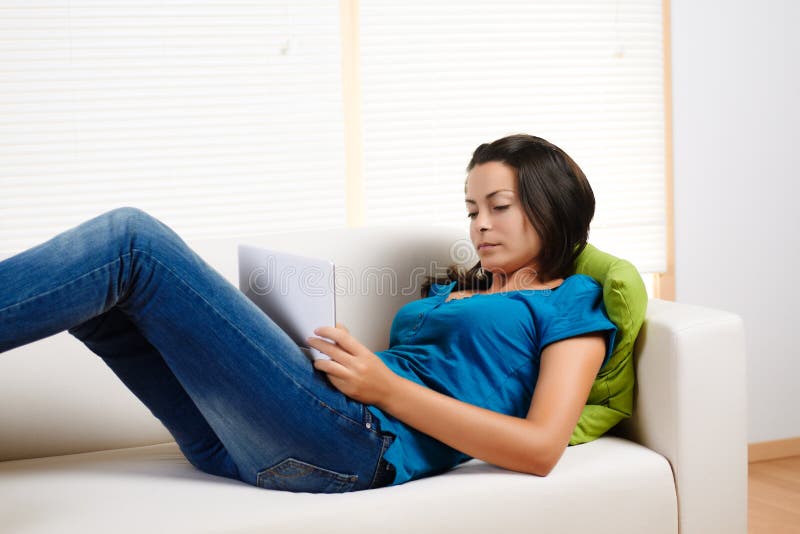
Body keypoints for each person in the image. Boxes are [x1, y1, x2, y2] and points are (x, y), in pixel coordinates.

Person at [0, 133, 616, 493]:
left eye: (499, 206)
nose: (480, 224)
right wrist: (342, 357)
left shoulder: (571, 302)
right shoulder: (456, 290)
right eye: (471, 209)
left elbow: (541, 449)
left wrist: (386, 390)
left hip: (356, 445)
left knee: (131, 243)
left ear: (550, 206)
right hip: (246, 442)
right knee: (104, 304)